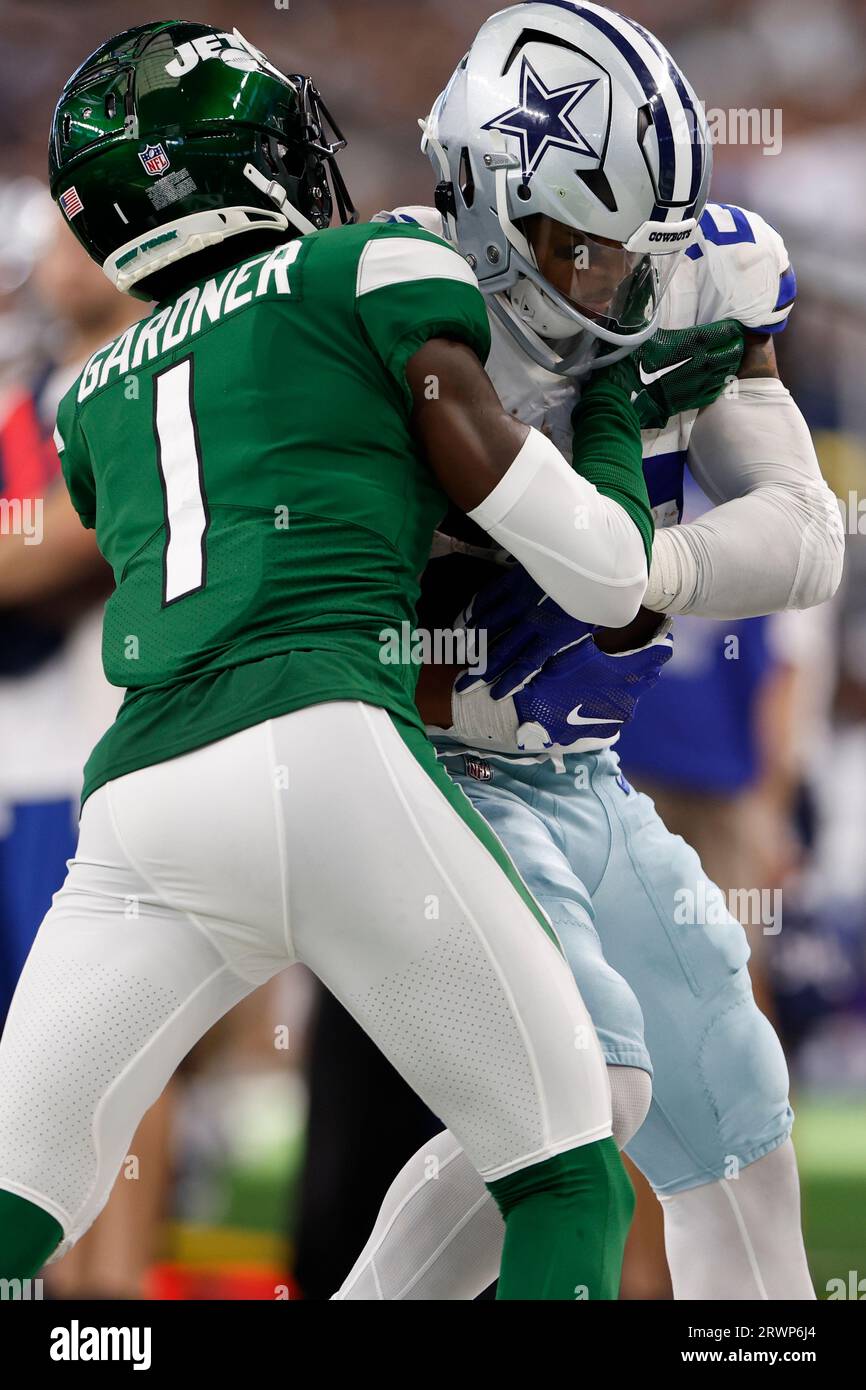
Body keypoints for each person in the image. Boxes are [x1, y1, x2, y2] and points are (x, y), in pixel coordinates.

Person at [0, 19, 735, 1298]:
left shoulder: (98, 392)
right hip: (325, 747)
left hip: (136, 803)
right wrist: (620, 405)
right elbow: (602, 569)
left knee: (19, 1199)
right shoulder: (367, 265)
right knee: (565, 1169)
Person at [333, 2, 843, 1301]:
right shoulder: (395, 299)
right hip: (421, 768)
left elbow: (803, 538)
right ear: (477, 188)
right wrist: (578, 554)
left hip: (578, 765)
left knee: (735, 1110)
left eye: (638, 250)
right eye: (575, 243)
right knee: (584, 1090)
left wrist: (637, 568)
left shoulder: (708, 274)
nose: (610, 282)